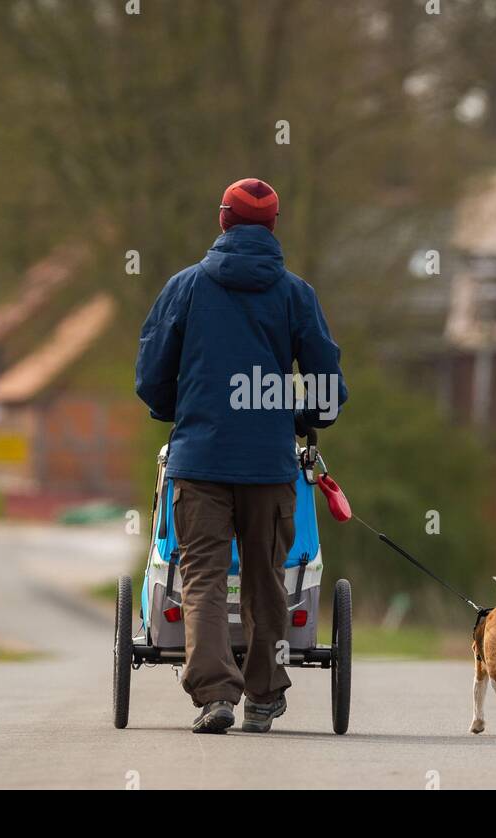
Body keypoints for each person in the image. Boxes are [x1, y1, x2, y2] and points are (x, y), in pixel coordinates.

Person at [135, 178, 347, 733]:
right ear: (273, 225)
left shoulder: (184, 289)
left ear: (223, 220)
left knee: (202, 576)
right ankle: (264, 693)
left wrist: (174, 410)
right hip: (268, 466)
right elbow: (326, 383)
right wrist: (300, 419)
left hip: (199, 462)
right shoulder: (296, 295)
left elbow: (151, 373)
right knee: (265, 579)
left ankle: (215, 695)